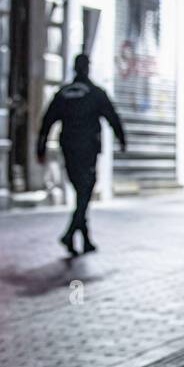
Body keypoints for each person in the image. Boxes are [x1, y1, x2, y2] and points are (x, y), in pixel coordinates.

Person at [37, 54, 126, 255]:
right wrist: (122, 139)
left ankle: (85, 240)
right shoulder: (95, 93)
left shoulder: (63, 93)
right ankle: (70, 233)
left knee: (81, 191)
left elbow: (47, 121)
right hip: (88, 149)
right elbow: (112, 117)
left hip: (68, 148)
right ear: (87, 68)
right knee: (85, 191)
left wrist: (40, 147)